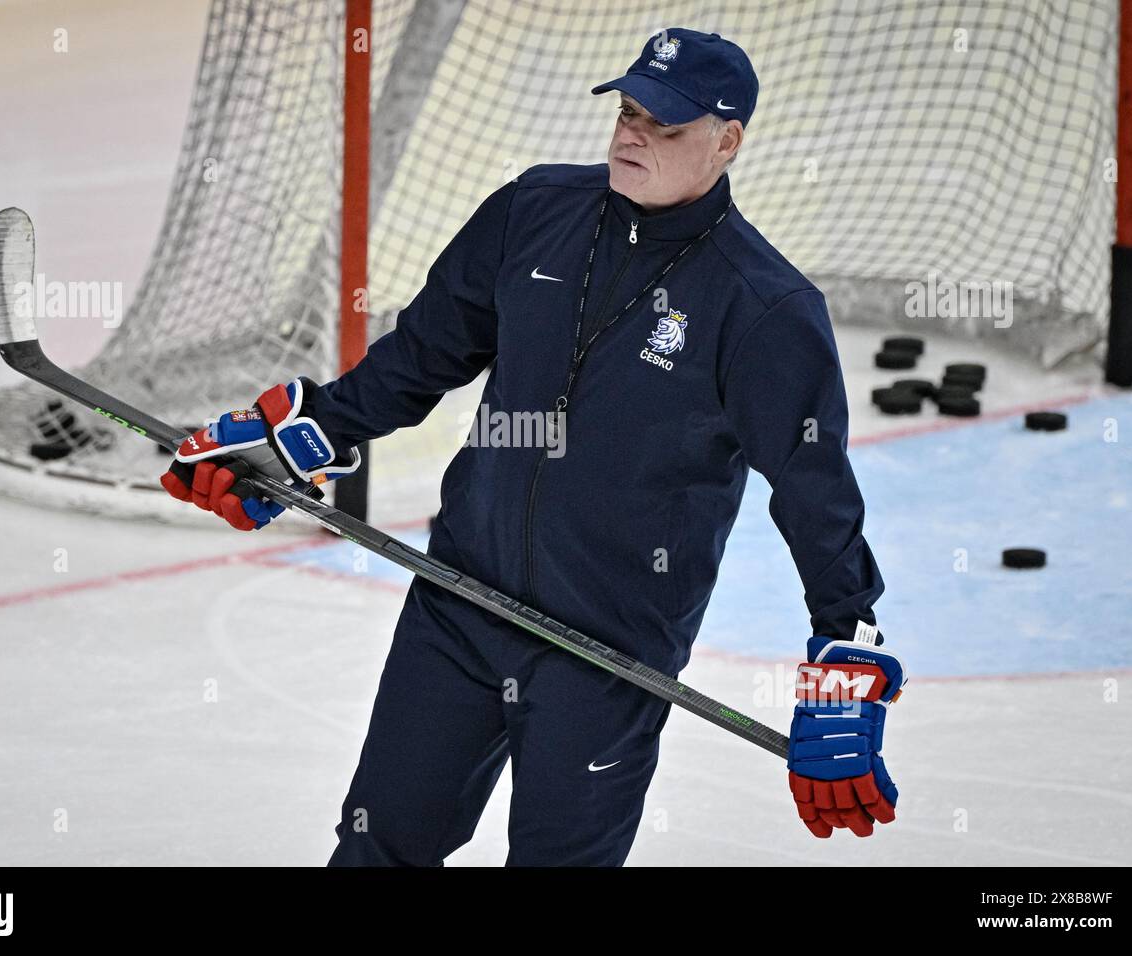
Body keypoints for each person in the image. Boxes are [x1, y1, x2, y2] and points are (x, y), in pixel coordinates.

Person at [160, 27, 903, 865]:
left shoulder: (762, 308)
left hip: (607, 655)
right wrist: (310, 434)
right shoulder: (533, 210)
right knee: (376, 846)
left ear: (727, 142)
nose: (632, 134)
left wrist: (846, 651)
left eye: (665, 125)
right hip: (459, 602)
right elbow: (420, 358)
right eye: (628, 111)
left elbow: (815, 500)